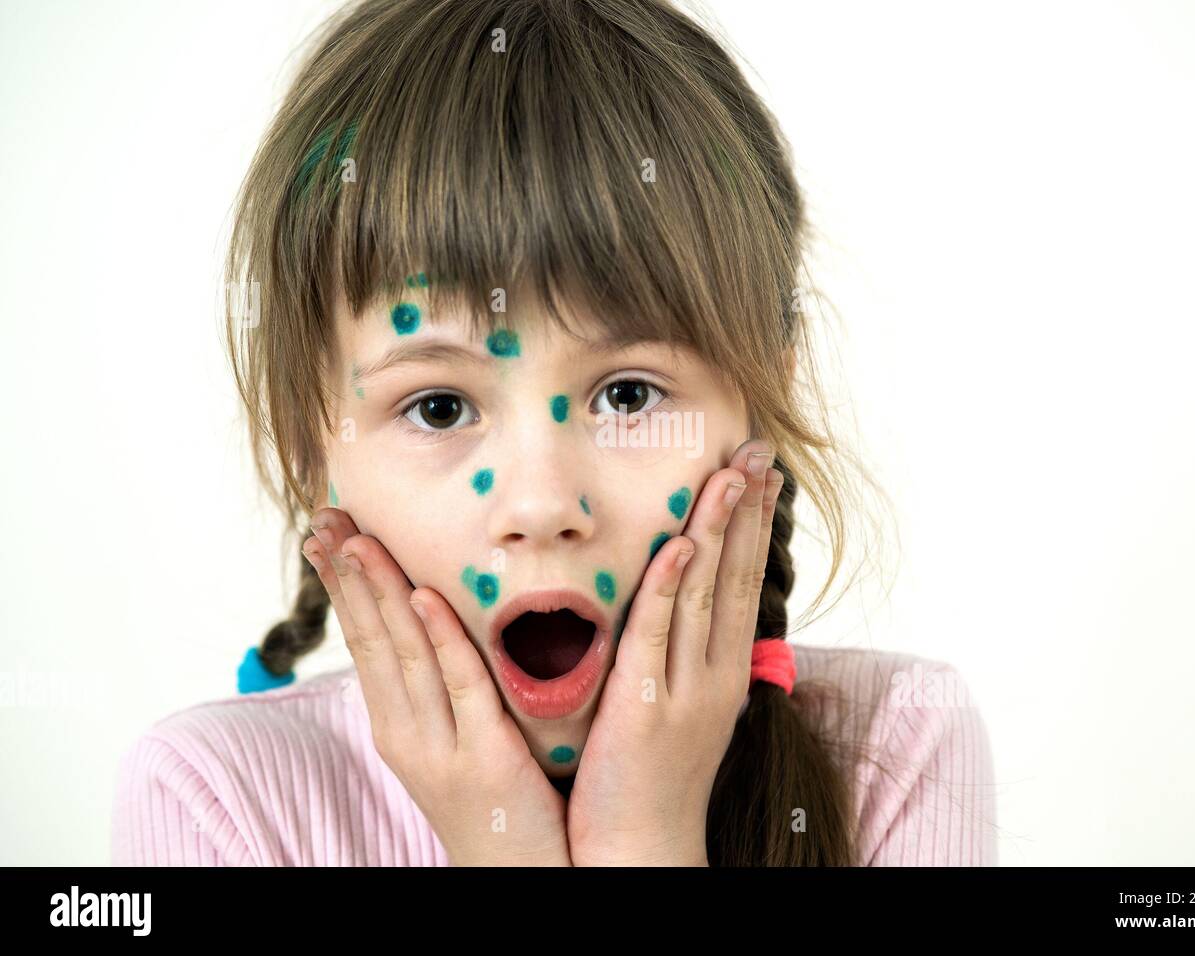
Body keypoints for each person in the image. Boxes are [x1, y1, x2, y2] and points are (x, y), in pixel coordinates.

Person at [110, 0, 997, 866]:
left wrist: (643, 843)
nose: (538, 506)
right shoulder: (213, 801)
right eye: (439, 407)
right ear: (313, 445)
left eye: (628, 394)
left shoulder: (899, 749)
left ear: (765, 399)